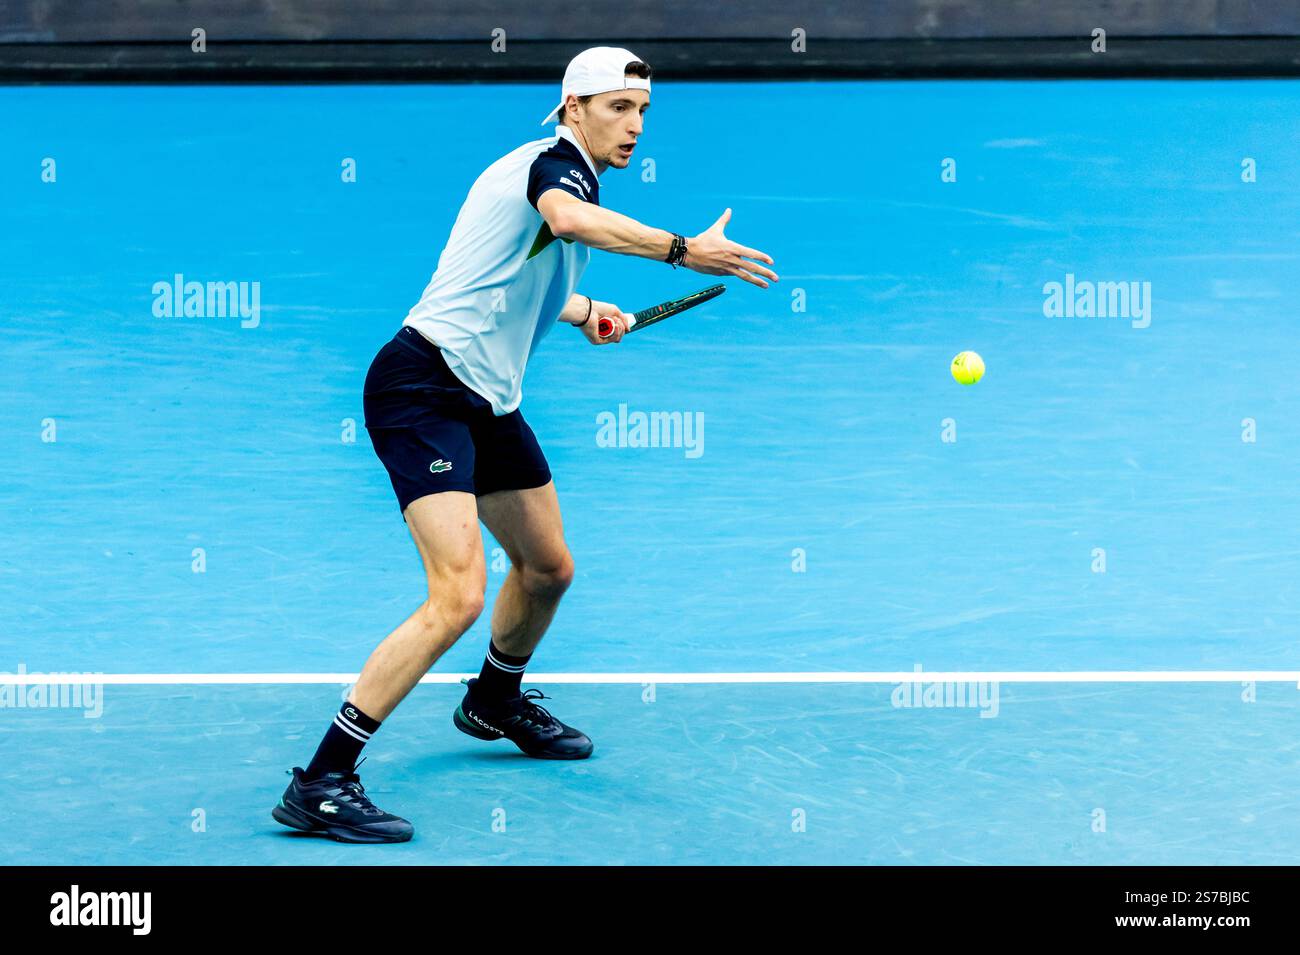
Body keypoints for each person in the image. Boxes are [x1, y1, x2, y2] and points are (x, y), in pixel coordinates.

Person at [273, 46, 777, 843]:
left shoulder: (560, 170)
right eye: (619, 107)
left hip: (487, 398)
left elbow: (516, 267)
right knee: (459, 595)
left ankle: (494, 699)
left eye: (643, 111)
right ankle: (323, 778)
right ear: (573, 106)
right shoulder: (554, 168)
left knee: (547, 568)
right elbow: (570, 223)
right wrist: (684, 249)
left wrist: (584, 311)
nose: (634, 125)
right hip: (424, 388)